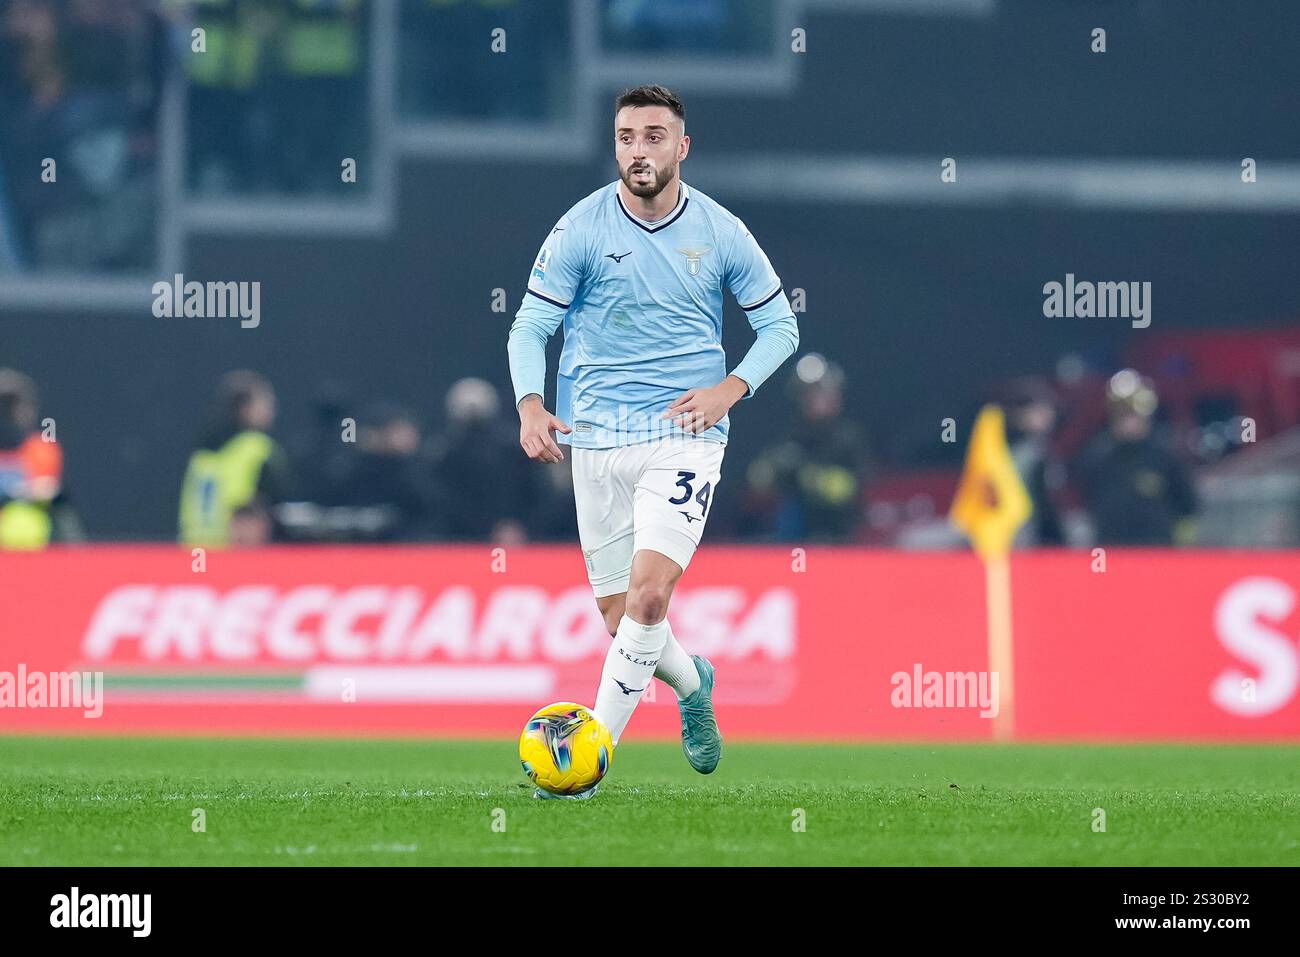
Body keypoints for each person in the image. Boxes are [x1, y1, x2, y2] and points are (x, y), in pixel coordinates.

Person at [507, 85, 800, 797]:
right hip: (597, 441)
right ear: (616, 146)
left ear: (682, 147)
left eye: (654, 136)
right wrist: (530, 404)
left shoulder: (722, 232)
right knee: (619, 618)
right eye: (628, 137)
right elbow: (529, 326)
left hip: (683, 435)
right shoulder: (579, 228)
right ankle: (692, 678)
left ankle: (588, 755)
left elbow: (782, 327)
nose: (640, 150)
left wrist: (731, 389)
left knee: (646, 598)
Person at [738, 353, 871, 542]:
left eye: (819, 392)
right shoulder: (790, 437)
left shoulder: (848, 439)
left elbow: (857, 489)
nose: (813, 400)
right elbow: (758, 483)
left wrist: (809, 477)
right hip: (794, 539)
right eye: (807, 393)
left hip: (839, 537)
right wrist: (770, 472)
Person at [1075, 369, 1198, 545]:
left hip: (1156, 552)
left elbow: (1187, 503)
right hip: (1111, 549)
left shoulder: (1165, 456)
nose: (1130, 423)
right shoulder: (1097, 456)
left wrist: (1183, 546)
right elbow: (1086, 496)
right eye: (1124, 416)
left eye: (1135, 416)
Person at [178, 370, 291, 547]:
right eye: (266, 404)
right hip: (232, 554)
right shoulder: (257, 448)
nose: (272, 411)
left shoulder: (202, 453)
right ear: (245, 409)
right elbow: (248, 511)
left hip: (196, 551)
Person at [0, 368, 83, 548]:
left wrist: (13, 491)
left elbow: (46, 487)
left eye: (12, 405)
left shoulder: (42, 447)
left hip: (38, 549)